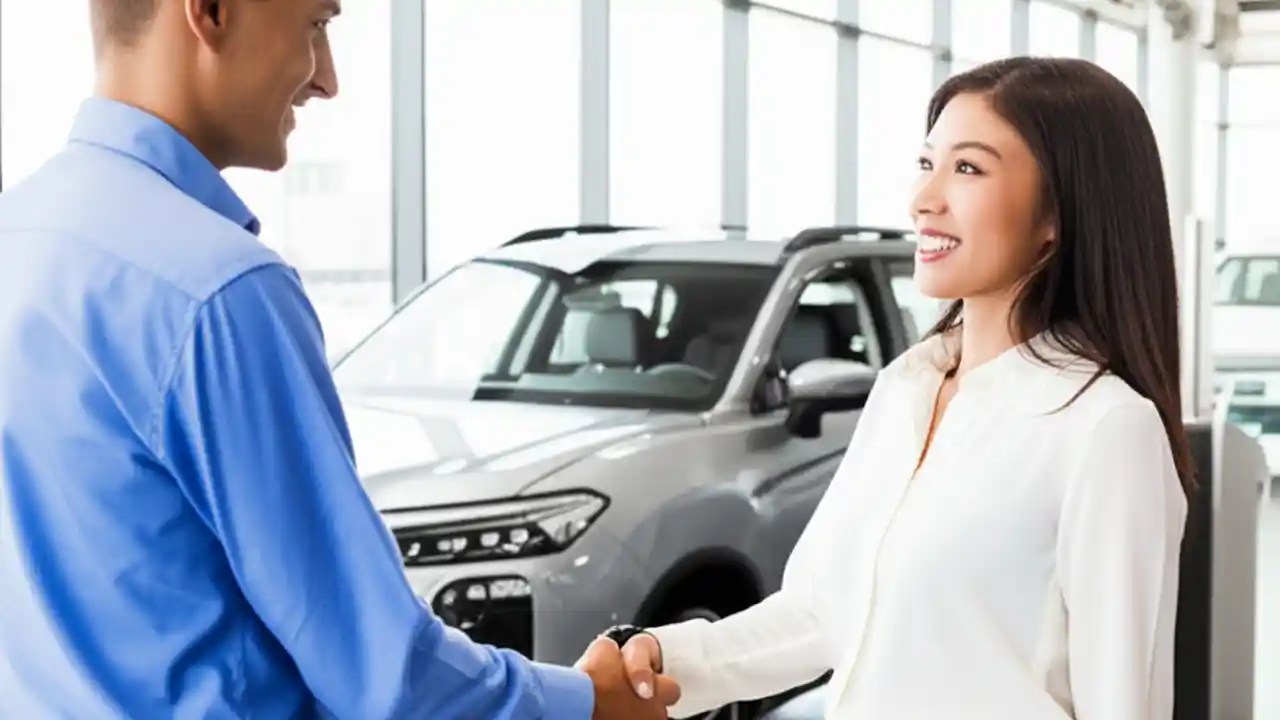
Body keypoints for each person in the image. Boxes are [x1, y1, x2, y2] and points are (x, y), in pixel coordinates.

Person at [0, 1, 678, 718]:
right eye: (316, 25)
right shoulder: (217, 289)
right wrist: (586, 702)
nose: (327, 80)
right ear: (211, 11)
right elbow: (385, 677)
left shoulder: (21, 235)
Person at [608, 57, 1194, 718]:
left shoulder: (1105, 429)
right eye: (926, 163)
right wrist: (664, 659)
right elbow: (821, 611)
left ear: (1059, 213)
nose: (924, 200)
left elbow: (1123, 703)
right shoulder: (905, 389)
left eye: (967, 168)